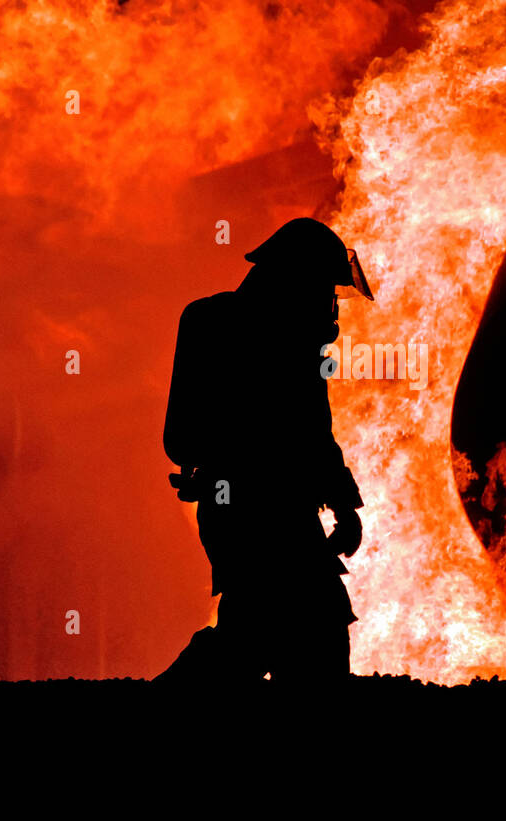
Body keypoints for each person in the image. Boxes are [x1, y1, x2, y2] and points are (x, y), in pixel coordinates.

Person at [161, 217, 375, 685]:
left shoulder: (217, 322)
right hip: (255, 513)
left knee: (263, 630)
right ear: (295, 279)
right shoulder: (274, 340)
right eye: (325, 288)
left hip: (255, 513)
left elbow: (312, 434)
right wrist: (343, 504)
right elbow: (309, 433)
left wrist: (341, 501)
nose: (330, 304)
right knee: (291, 628)